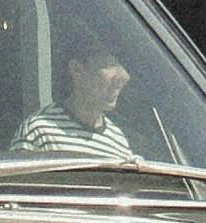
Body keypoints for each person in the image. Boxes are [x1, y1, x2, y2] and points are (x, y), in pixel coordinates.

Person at [12, 32, 143, 163]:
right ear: (77, 70)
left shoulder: (118, 143)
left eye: (123, 66)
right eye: (110, 65)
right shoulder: (38, 131)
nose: (124, 77)